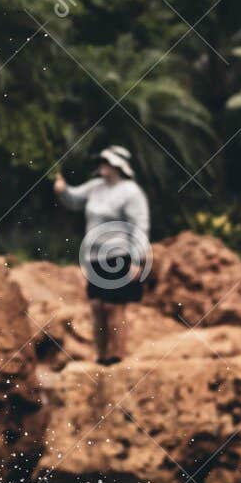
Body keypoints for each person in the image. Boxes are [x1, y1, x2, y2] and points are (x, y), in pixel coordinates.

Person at [53, 145, 151, 366]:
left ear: (118, 166)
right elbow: (74, 200)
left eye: (106, 163)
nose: (102, 167)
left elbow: (140, 227)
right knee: (97, 306)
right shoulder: (96, 187)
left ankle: (118, 355)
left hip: (119, 256)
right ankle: (101, 354)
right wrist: (62, 189)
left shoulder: (131, 192)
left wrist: (137, 259)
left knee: (114, 306)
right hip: (94, 258)